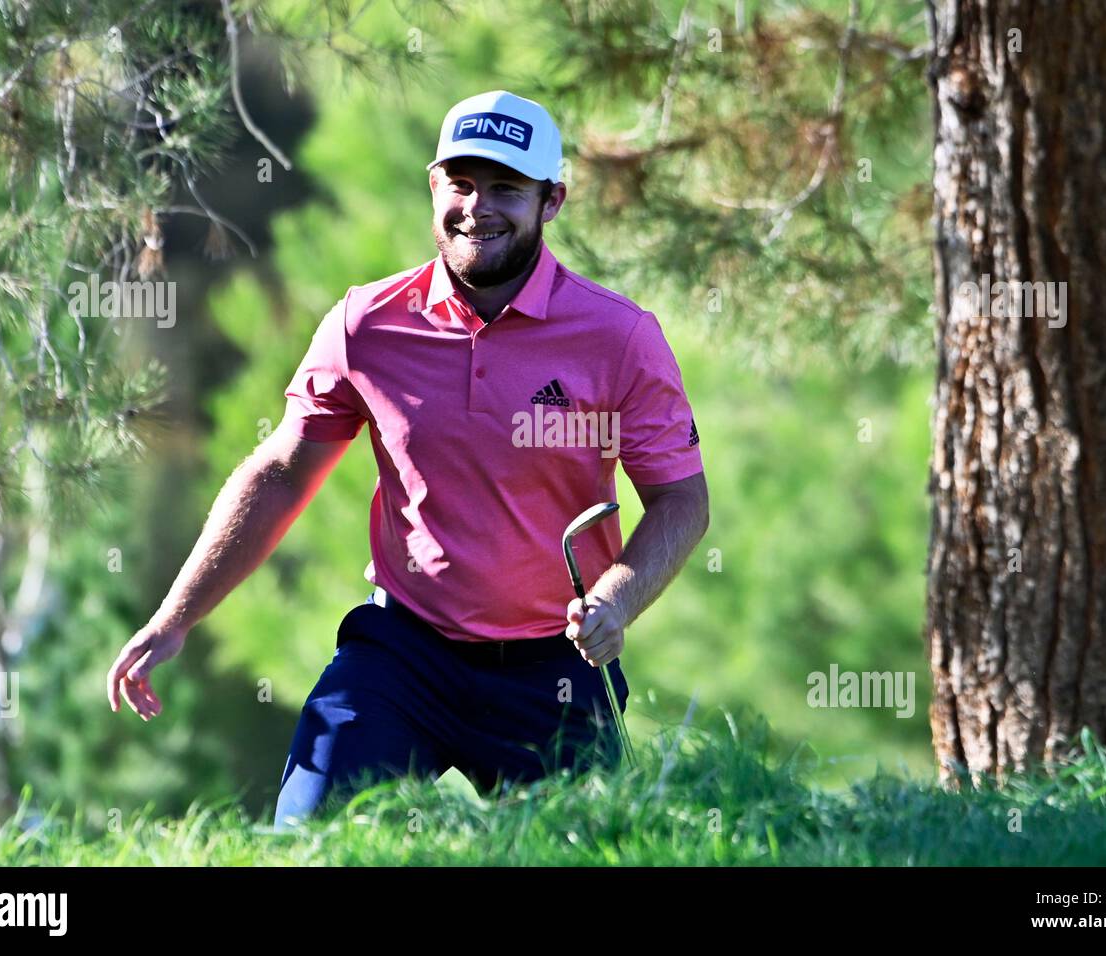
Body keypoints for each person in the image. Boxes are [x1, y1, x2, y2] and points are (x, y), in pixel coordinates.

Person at [106, 90, 710, 828]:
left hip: (554, 663)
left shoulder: (619, 338)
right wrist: (174, 618)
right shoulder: (368, 323)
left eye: (506, 189)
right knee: (315, 835)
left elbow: (681, 499)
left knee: (589, 848)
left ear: (551, 202)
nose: (477, 207)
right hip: (404, 651)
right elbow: (281, 472)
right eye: (461, 182)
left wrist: (617, 600)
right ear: (434, 185)